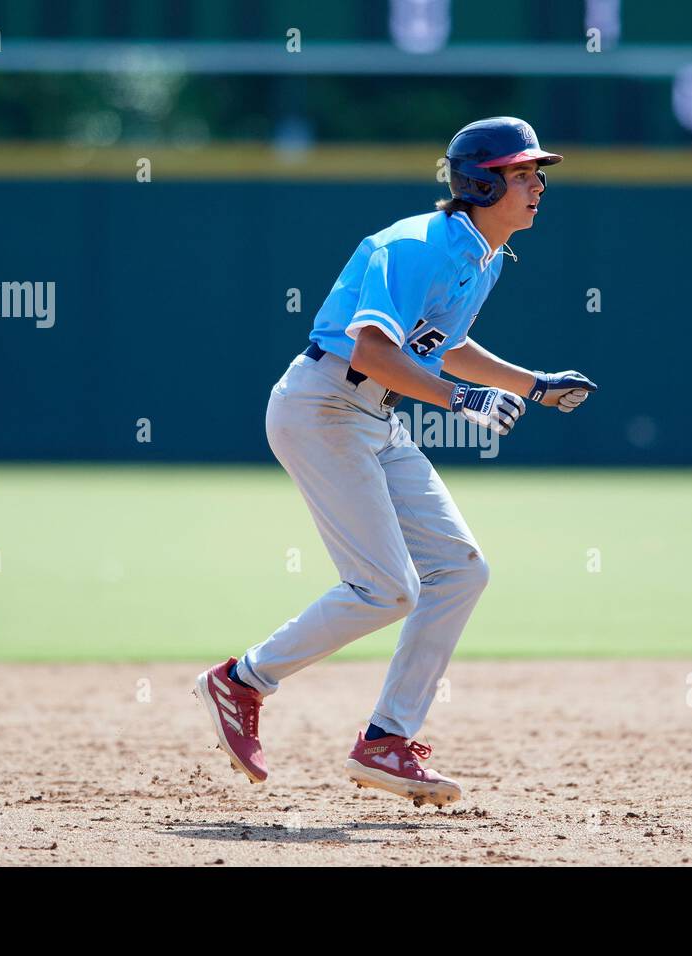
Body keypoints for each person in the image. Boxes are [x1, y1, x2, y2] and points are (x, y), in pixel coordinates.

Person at [193, 117, 597, 808]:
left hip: (371, 417)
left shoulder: (481, 254)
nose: (537, 185)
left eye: (538, 172)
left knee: (461, 571)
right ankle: (243, 680)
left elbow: (444, 348)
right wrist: (459, 399)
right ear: (479, 182)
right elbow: (372, 353)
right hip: (322, 406)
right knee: (387, 587)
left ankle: (386, 741)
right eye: (522, 172)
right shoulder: (416, 247)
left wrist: (528, 382)